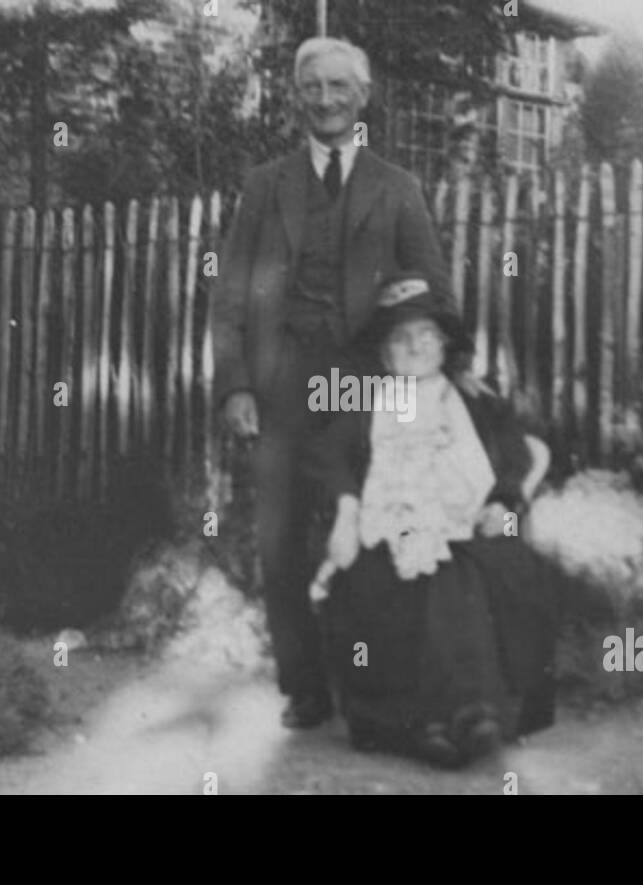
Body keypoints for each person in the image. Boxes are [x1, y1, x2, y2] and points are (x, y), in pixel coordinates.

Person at [211, 37, 454, 729]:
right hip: (281, 379)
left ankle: (375, 683)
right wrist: (235, 387)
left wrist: (415, 369)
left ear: (362, 96)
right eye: (311, 87)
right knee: (281, 537)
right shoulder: (265, 186)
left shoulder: (396, 187)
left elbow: (435, 291)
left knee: (376, 526)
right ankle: (305, 687)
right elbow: (229, 296)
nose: (324, 99)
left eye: (337, 87)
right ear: (296, 97)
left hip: (369, 386)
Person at [302, 271, 560, 769]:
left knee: (471, 571)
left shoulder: (475, 400)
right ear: (383, 352)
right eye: (400, 337)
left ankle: (469, 716)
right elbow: (326, 457)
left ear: (443, 344)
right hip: (387, 529)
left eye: (425, 335)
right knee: (396, 576)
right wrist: (349, 505)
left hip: (470, 525)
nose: (415, 346)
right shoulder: (364, 403)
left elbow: (517, 456)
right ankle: (422, 724)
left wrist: (504, 504)